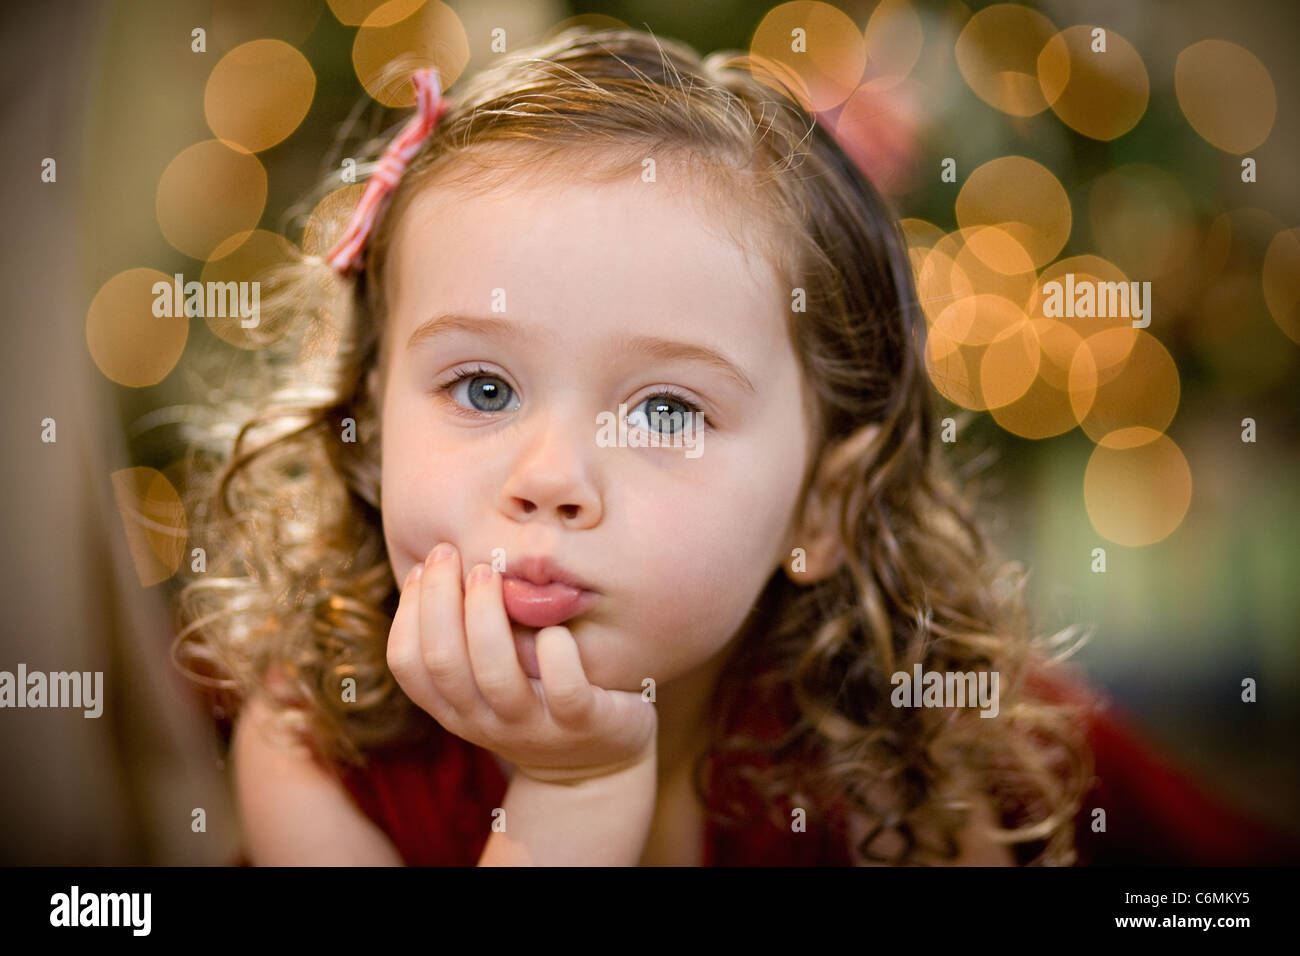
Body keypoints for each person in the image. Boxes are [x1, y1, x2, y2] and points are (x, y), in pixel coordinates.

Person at [174, 27, 1296, 867]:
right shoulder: (309, 736)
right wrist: (571, 795)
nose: (551, 479)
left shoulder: (940, 746)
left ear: (821, 506)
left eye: (667, 411)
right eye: (481, 385)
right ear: (369, 428)